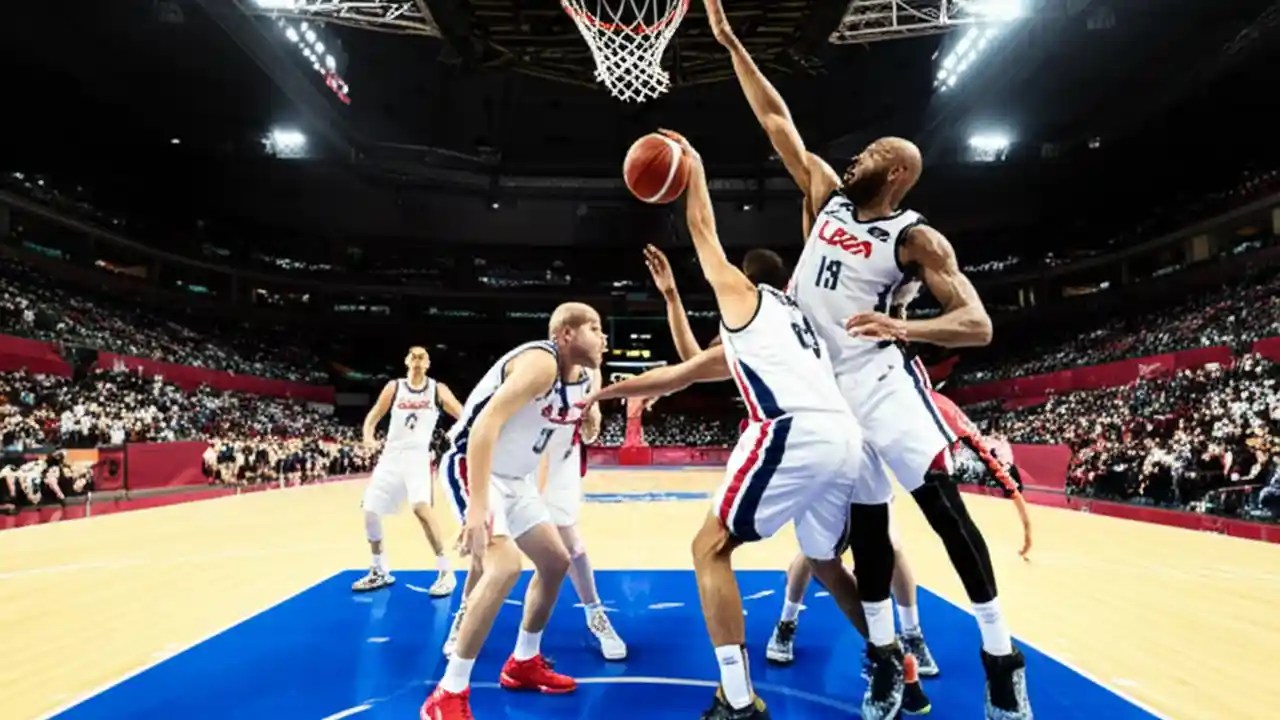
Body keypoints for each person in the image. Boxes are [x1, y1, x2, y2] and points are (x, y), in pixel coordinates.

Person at [705, 2, 1033, 717]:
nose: (855, 160)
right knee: (872, 535)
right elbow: (775, 118)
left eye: (871, 155)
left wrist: (901, 324)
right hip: (827, 396)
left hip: (881, 380)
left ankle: (1002, 660)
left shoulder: (916, 239)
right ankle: (886, 660)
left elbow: (977, 324)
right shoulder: (825, 196)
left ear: (898, 172)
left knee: (944, 512)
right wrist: (730, 42)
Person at [580, 132, 926, 720]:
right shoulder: (787, 324)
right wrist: (606, 390)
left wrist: (693, 167)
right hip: (845, 440)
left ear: (747, 280)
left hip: (793, 431)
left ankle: (737, 700)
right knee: (823, 562)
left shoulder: (744, 298)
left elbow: (702, 231)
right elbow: (685, 370)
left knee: (710, 547)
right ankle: (891, 660)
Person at [644, 243, 940, 676]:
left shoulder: (757, 318)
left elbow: (694, 361)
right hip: (852, 441)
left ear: (745, 281)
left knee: (720, 545)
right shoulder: (808, 312)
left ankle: (778, 653)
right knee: (838, 557)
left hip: (802, 440)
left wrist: (672, 298)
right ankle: (893, 649)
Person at [420, 303, 608, 720]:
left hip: (516, 478)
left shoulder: (582, 378)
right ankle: (447, 693)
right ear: (566, 335)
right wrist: (477, 508)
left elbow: (556, 423)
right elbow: (483, 427)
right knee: (504, 566)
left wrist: (591, 410)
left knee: (556, 561)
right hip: (474, 467)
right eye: (594, 328)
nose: (604, 338)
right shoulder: (541, 363)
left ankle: (523, 662)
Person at [439, 367, 628, 662]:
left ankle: (594, 615)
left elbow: (591, 409)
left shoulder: (589, 373)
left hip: (561, 458)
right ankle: (465, 614)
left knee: (571, 547)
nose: (601, 344)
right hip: (521, 455)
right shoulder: (540, 365)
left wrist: (593, 411)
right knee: (489, 545)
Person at [353, 346, 463, 596]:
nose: (417, 359)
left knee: (421, 509)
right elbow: (373, 416)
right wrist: (368, 437)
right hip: (391, 455)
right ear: (406, 361)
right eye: (413, 355)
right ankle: (379, 569)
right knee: (370, 509)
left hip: (418, 456)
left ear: (428, 363)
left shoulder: (437, 389)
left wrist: (451, 436)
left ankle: (446, 571)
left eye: (422, 356)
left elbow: (463, 415)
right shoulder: (395, 387)